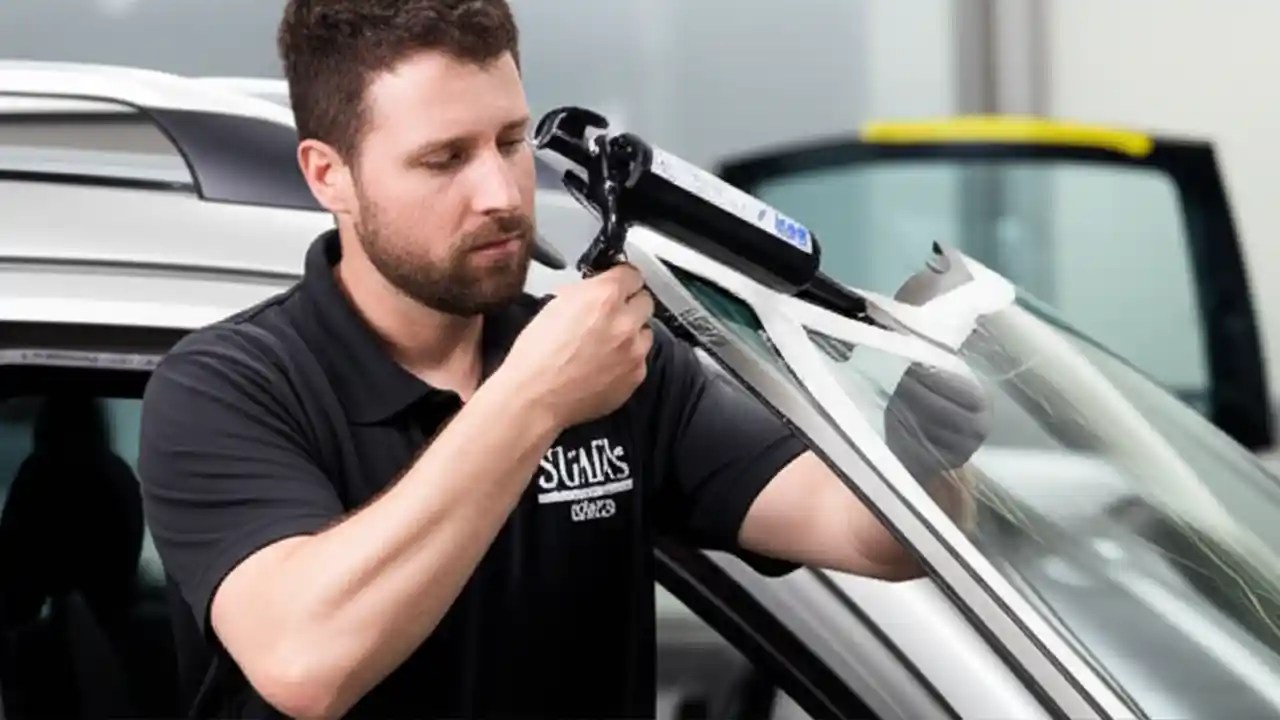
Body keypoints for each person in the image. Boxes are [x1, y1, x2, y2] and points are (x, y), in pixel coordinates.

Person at [136, 1, 989, 718]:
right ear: (330, 175)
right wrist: (534, 399)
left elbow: (871, 539)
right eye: (445, 159)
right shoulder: (227, 388)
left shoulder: (608, 361)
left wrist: (919, 449)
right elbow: (306, 662)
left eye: (509, 140)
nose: (503, 194)